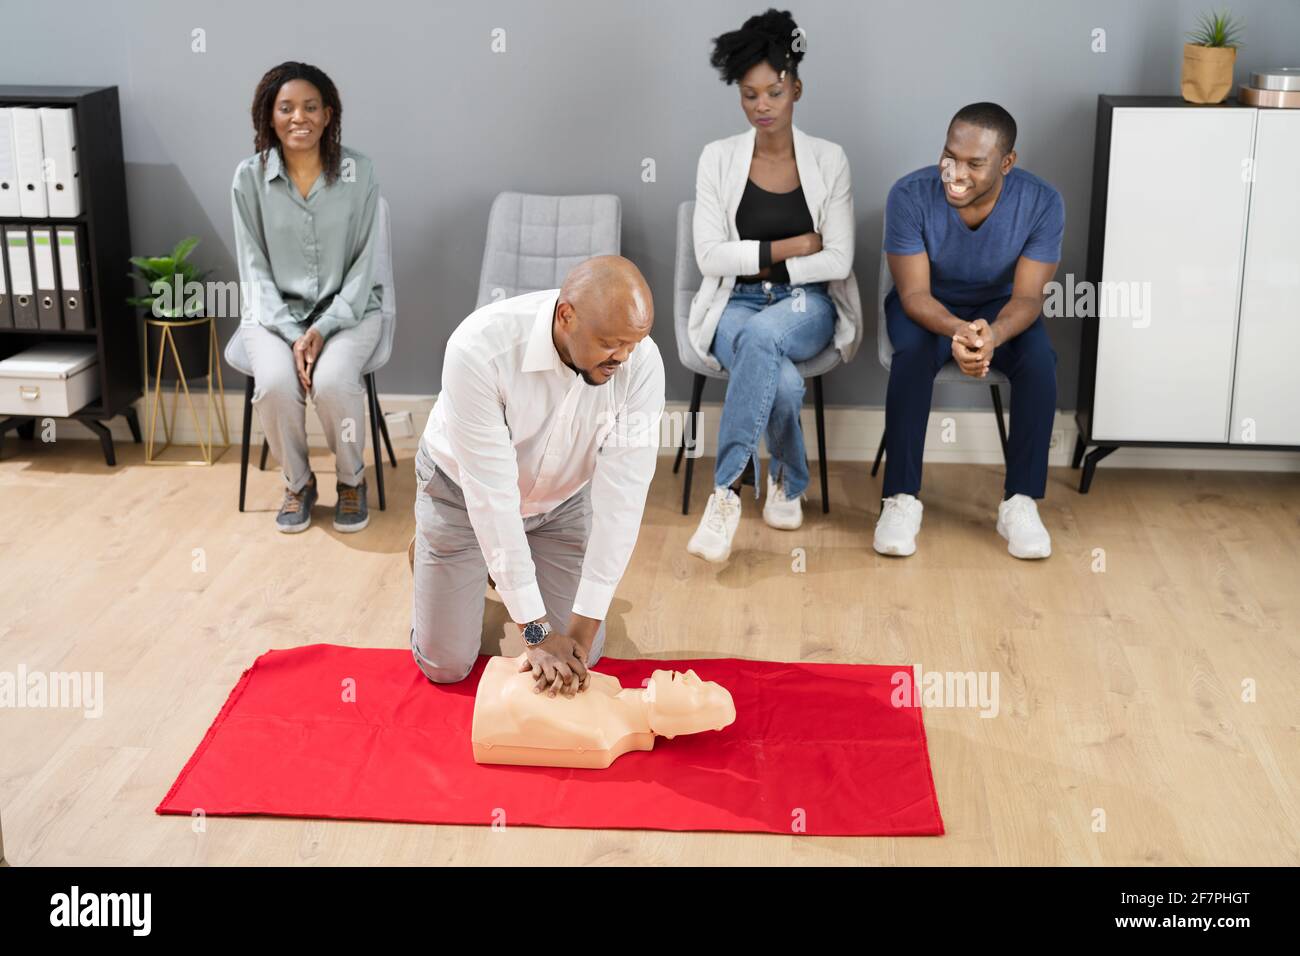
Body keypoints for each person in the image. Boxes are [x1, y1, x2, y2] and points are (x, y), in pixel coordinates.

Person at [410, 256, 665, 698]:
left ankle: (499, 568)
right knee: (446, 666)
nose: (622, 357)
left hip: (560, 504)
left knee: (587, 653)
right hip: (462, 497)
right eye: (609, 343)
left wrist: (581, 634)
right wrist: (534, 633)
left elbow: (623, 498)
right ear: (566, 316)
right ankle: (441, 548)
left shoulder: (640, 361)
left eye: (633, 343)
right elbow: (491, 498)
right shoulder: (478, 348)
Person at [686, 8, 862, 564]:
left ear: (796, 88)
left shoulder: (829, 159)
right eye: (749, 94)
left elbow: (838, 258)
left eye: (774, 92)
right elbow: (708, 255)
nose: (762, 106)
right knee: (781, 380)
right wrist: (788, 248)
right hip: (732, 302)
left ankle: (726, 494)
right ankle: (787, 480)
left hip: (806, 305)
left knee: (765, 339)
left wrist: (767, 269)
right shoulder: (717, 158)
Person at [875, 102, 1064, 559]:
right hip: (928, 305)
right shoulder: (909, 194)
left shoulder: (1041, 202)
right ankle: (900, 499)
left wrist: (991, 336)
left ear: (1006, 163)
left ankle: (1020, 502)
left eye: (975, 164)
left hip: (1002, 309)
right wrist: (961, 331)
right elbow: (914, 295)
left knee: (1040, 361)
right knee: (914, 357)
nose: (955, 173)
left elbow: (1027, 299)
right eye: (949, 156)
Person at [231, 61, 384, 534]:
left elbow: (363, 267)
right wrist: (297, 334)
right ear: (269, 116)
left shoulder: (360, 172)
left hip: (350, 313)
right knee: (276, 384)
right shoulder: (249, 178)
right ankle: (298, 483)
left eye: (311, 107)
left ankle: (350, 481)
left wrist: (322, 329)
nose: (300, 117)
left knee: (335, 382)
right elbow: (253, 271)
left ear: (328, 114)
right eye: (286, 108)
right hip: (273, 318)